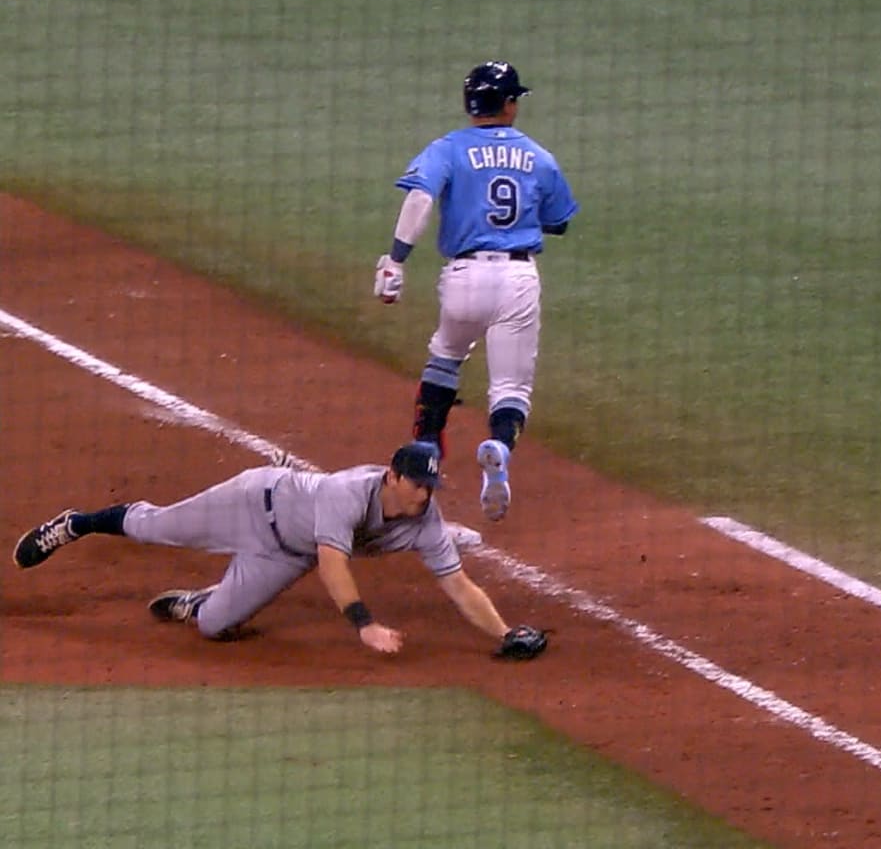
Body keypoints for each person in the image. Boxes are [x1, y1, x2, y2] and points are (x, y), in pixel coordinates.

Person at [10, 441, 548, 660]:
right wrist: (363, 623)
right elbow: (334, 563)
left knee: (214, 628)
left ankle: (202, 601)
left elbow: (458, 584)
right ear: (392, 476)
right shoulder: (348, 493)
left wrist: (504, 634)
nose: (425, 495)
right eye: (416, 485)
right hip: (252, 501)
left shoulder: (425, 521)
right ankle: (75, 525)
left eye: (431, 488)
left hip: (287, 552)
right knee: (157, 527)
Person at [374, 60, 580, 523]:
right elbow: (560, 218)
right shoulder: (538, 155)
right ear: (508, 104)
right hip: (517, 280)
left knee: (445, 356)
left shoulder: (447, 148)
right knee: (510, 387)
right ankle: (499, 448)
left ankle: (425, 451)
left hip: (463, 278)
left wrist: (396, 260)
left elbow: (420, 199)